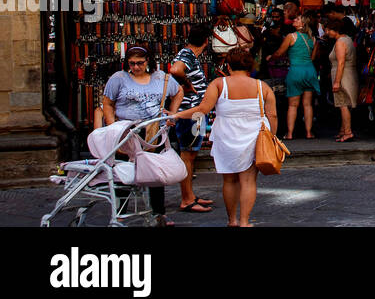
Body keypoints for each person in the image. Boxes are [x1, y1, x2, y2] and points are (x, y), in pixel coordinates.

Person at [171, 47, 277, 227]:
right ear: (250, 66)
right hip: (253, 135)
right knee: (248, 180)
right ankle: (244, 222)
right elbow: (272, 115)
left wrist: (176, 115)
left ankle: (232, 220)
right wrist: (272, 136)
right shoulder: (262, 86)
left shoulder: (219, 84)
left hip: (226, 135)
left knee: (229, 180)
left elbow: (202, 109)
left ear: (228, 66)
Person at [101, 46, 184, 225]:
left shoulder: (160, 77)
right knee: (123, 169)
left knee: (155, 172)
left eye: (140, 63)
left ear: (148, 62)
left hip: (154, 130)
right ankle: (120, 211)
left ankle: (158, 212)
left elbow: (178, 92)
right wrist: (112, 125)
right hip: (128, 130)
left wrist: (172, 114)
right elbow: (107, 103)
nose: (136, 67)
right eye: (132, 63)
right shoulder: (119, 78)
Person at [168, 24, 213, 212]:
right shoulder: (186, 55)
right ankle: (186, 199)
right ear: (206, 41)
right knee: (188, 155)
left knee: (191, 154)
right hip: (191, 114)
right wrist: (187, 84)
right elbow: (175, 70)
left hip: (195, 113)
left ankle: (190, 196)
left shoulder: (188, 55)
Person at [271, 12, 320, 139]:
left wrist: (271, 57)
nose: (294, 20)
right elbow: (313, 58)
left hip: (296, 71)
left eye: (297, 19)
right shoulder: (314, 39)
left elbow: (280, 52)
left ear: (302, 24)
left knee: (293, 105)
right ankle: (309, 133)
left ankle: (290, 133)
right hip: (309, 71)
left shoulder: (291, 36)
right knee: (308, 104)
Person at [323, 16, 358, 142]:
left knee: (343, 104)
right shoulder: (347, 39)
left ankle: (348, 132)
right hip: (349, 74)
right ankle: (343, 130)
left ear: (335, 30)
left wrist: (337, 81)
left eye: (328, 30)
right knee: (346, 104)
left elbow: (341, 63)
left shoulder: (339, 43)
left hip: (343, 76)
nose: (327, 33)